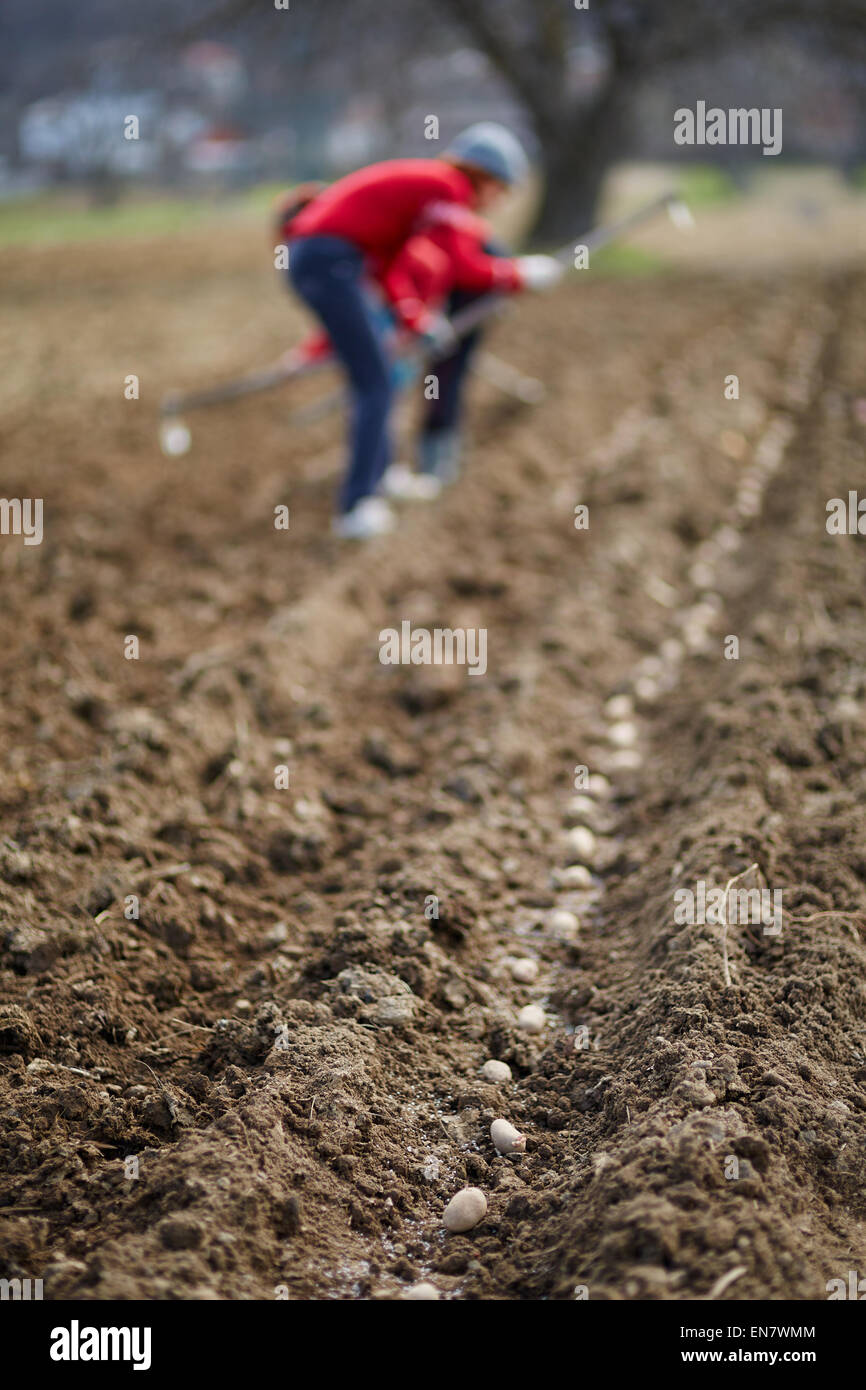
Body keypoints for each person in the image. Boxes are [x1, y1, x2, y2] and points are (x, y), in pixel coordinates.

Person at [284, 124, 563, 539]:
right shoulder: (449, 188)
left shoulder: (426, 191)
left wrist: (417, 320)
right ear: (485, 178)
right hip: (328, 264)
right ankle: (356, 507)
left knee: (378, 377)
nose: (496, 203)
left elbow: (392, 268)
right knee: (375, 383)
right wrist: (519, 273)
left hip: (328, 262)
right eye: (500, 191)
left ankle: (381, 476)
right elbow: (461, 266)